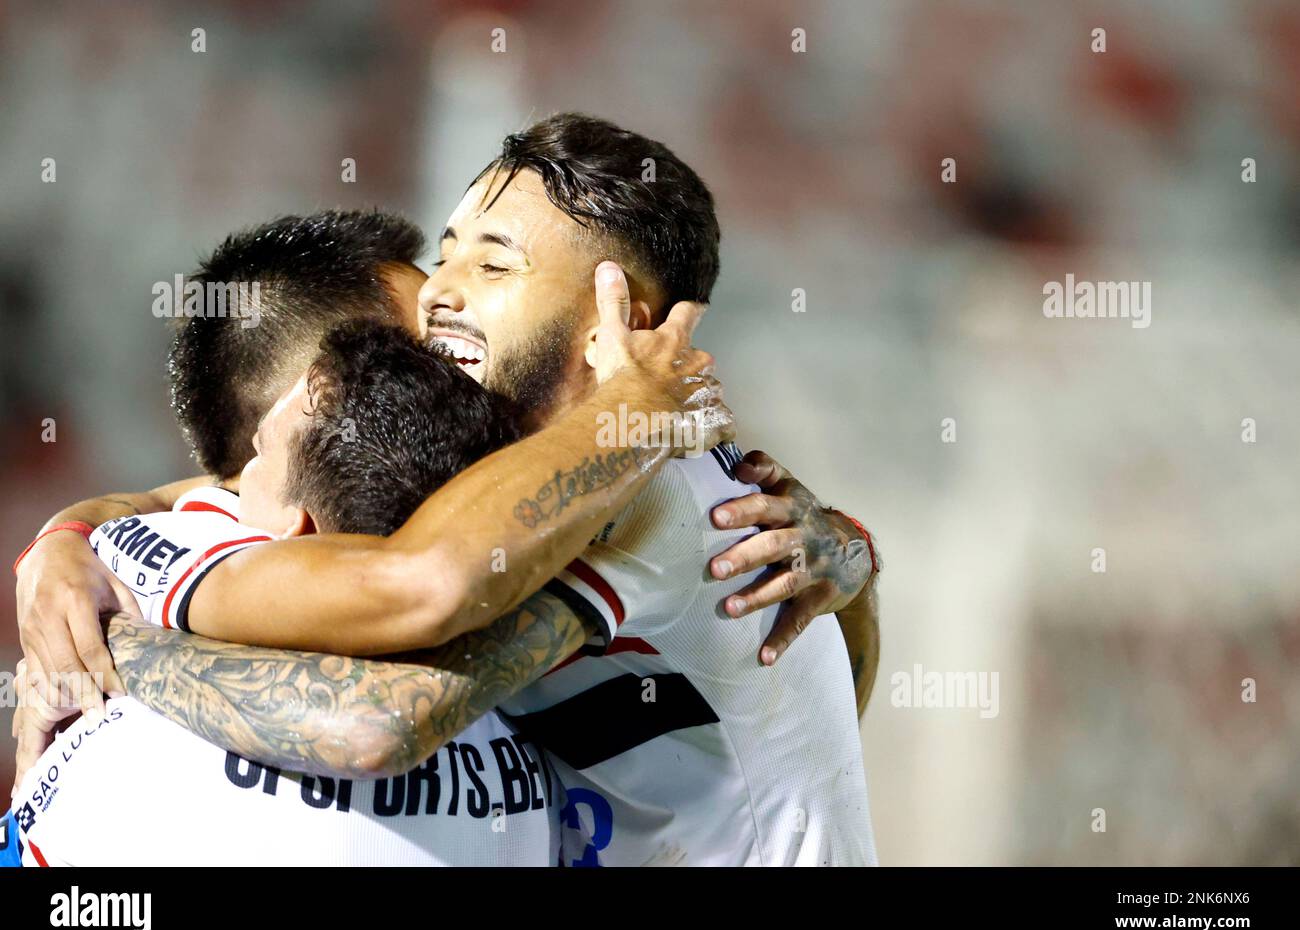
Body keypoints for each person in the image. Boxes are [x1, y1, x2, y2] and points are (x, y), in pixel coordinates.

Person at [15, 115, 882, 866]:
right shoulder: (506, 470)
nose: (441, 295)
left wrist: (110, 652)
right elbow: (213, 489)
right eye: (447, 255)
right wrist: (63, 540)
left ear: (623, 328)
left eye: (495, 269)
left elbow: (382, 718)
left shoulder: (635, 492)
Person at [8, 316, 724, 865]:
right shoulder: (524, 732)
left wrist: (111, 642)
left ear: (298, 523)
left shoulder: (185, 564)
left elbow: (375, 718)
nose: (224, 484)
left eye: (255, 455)